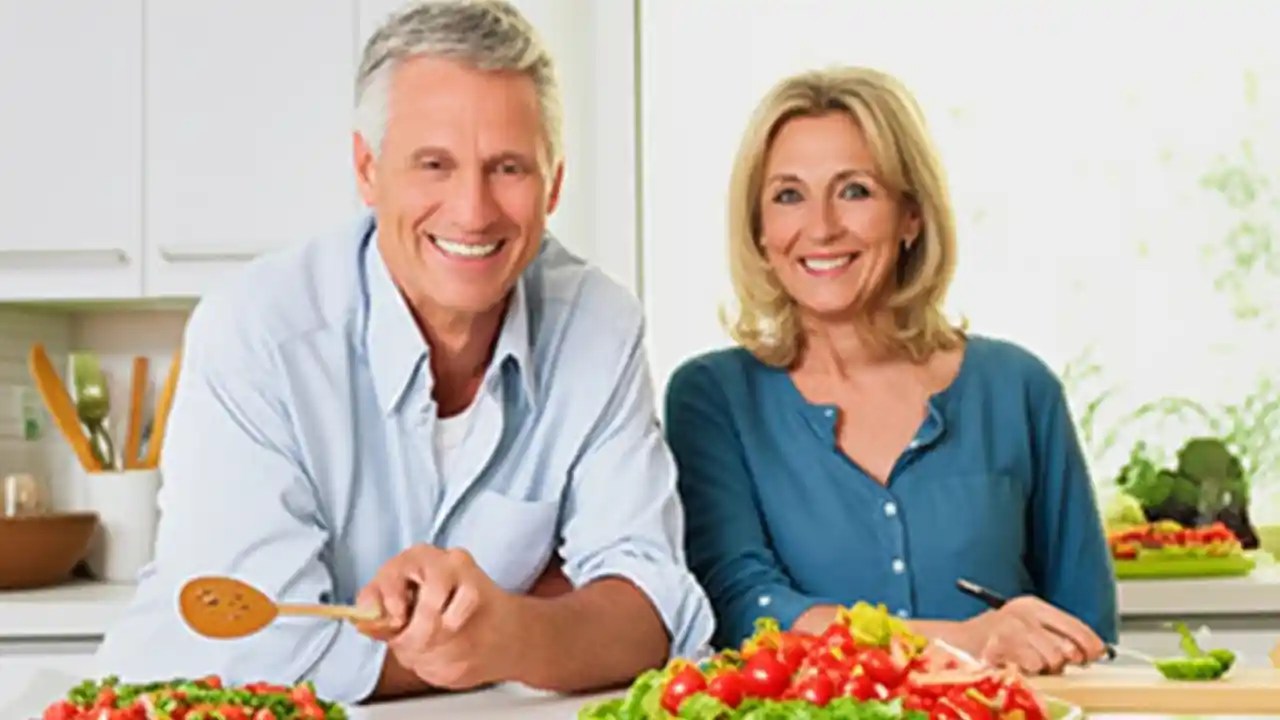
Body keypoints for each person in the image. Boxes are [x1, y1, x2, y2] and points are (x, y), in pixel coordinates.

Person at [97, 0, 712, 703]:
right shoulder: (258, 332)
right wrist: (547, 623)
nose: (473, 210)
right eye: (434, 164)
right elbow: (259, 648)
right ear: (368, 170)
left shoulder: (597, 326)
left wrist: (512, 630)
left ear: (555, 185)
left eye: (508, 167)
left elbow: (657, 615)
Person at [664, 65, 1118, 675]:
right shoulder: (714, 398)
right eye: (788, 195)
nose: (821, 227)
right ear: (761, 230)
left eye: (855, 190)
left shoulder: (1018, 389)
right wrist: (960, 640)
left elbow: (1086, 626)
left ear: (911, 216)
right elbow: (743, 609)